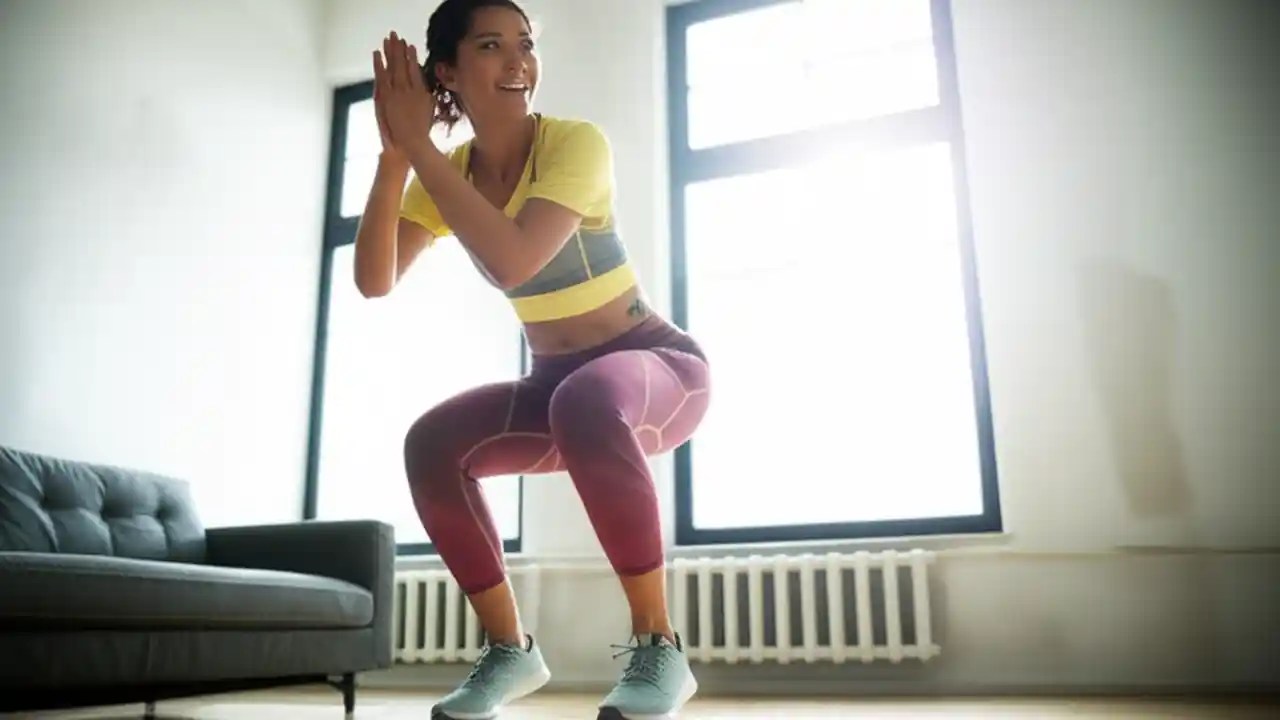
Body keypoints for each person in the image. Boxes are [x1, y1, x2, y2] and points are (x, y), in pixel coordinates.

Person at [355, 1, 711, 718]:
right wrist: (396, 158)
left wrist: (419, 148)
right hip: (557, 388)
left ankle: (660, 644)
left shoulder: (575, 143)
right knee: (433, 444)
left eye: (525, 43)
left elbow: (517, 259)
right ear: (448, 71)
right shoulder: (444, 174)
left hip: (656, 368)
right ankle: (510, 649)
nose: (518, 61)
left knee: (581, 398)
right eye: (491, 45)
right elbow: (375, 278)